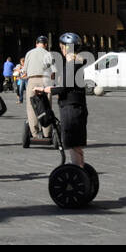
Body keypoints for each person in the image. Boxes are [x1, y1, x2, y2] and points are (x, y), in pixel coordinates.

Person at [37, 33, 89, 167]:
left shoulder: (72, 65)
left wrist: (43, 89)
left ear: (67, 48)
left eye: (62, 48)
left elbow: (63, 89)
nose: (61, 50)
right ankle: (80, 171)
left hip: (71, 109)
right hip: (77, 107)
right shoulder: (78, 62)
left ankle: (77, 172)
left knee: (73, 144)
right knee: (76, 145)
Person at [23, 36, 56, 139]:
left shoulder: (29, 53)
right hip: (45, 80)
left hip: (32, 80)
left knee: (31, 107)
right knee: (46, 106)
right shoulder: (48, 54)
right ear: (45, 44)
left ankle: (35, 133)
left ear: (36, 43)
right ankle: (47, 132)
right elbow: (53, 72)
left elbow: (24, 71)